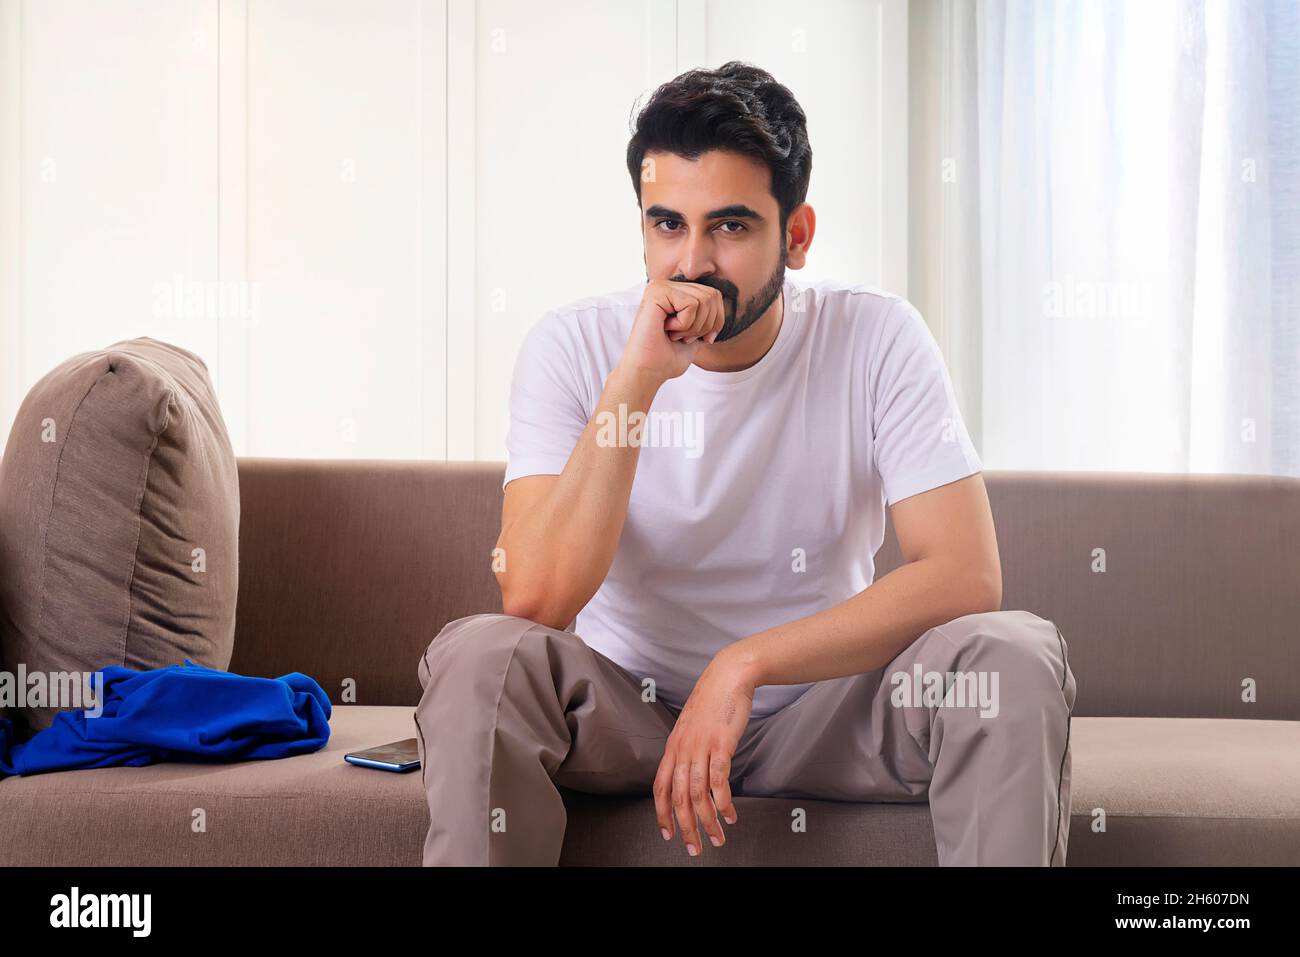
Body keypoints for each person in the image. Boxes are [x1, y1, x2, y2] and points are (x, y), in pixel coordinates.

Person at [415, 60, 1075, 866]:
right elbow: (537, 594)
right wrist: (639, 378)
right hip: (628, 718)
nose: (690, 262)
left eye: (729, 227)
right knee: (478, 652)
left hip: (820, 716)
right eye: (667, 225)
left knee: (1010, 653)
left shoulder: (877, 338)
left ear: (795, 237)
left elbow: (966, 575)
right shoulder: (575, 346)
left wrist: (747, 665)